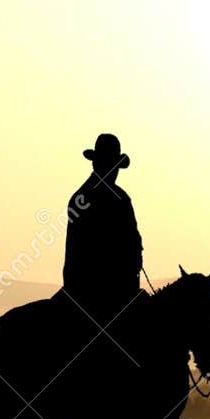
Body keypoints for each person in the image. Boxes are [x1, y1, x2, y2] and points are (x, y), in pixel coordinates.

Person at [62, 133, 144, 316]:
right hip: (89, 292)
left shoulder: (121, 199)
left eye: (114, 166)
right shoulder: (83, 199)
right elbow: (84, 253)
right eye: (110, 165)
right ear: (96, 164)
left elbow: (134, 243)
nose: (113, 171)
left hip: (122, 289)